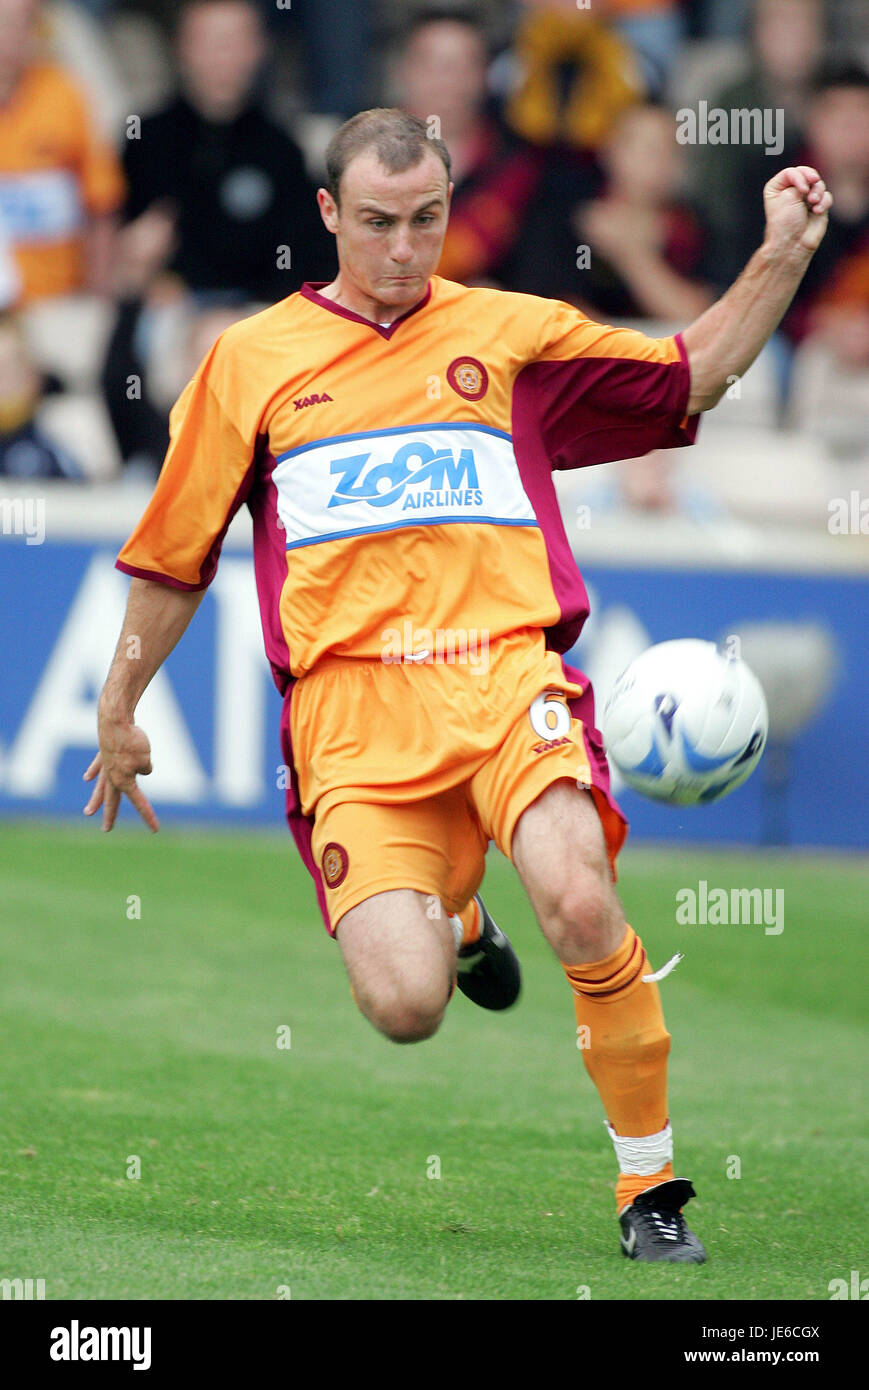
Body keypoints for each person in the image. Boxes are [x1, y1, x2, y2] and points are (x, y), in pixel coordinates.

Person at [83, 107, 831, 1264]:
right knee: (403, 1005)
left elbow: (694, 373)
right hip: (349, 719)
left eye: (425, 219)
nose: (402, 249)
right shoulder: (249, 361)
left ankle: (649, 1189)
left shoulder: (511, 333)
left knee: (580, 902)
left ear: (445, 210)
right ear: (328, 215)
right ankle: (461, 912)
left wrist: (781, 249)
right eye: (376, 223)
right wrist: (120, 703)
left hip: (502, 678)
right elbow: (175, 555)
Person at [0, 0, 124, 303]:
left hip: (58, 302)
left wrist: (98, 299)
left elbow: (102, 206)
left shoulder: (68, 97)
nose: (8, 35)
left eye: (21, 23)